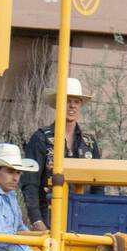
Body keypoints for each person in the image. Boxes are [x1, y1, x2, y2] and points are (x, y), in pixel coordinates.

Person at [21, 77, 102, 231]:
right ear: (58, 103)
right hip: (48, 217)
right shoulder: (40, 138)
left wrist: (95, 218)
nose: (72, 105)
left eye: (76, 101)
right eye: (67, 100)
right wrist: (36, 220)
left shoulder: (89, 143)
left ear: (80, 105)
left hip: (82, 218)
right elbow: (30, 182)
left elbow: (98, 185)